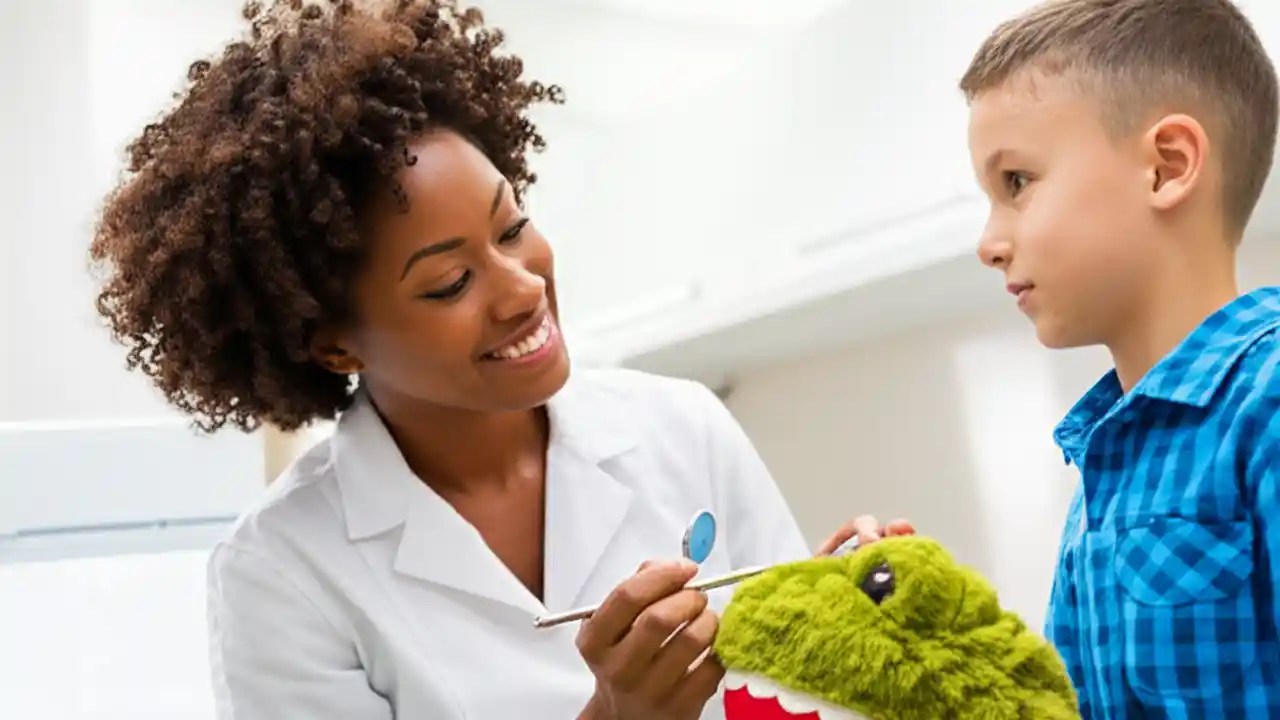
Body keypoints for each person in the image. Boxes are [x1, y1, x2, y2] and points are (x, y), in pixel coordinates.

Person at [87, 1, 912, 718]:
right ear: (335, 341)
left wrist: (847, 619)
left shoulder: (683, 427)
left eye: (512, 227)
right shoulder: (283, 572)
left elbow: (804, 694)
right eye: (449, 283)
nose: (521, 289)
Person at [959, 0, 1280, 717]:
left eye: (1016, 183)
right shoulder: (1103, 461)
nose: (988, 241)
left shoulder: (1270, 398)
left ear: (1167, 167)